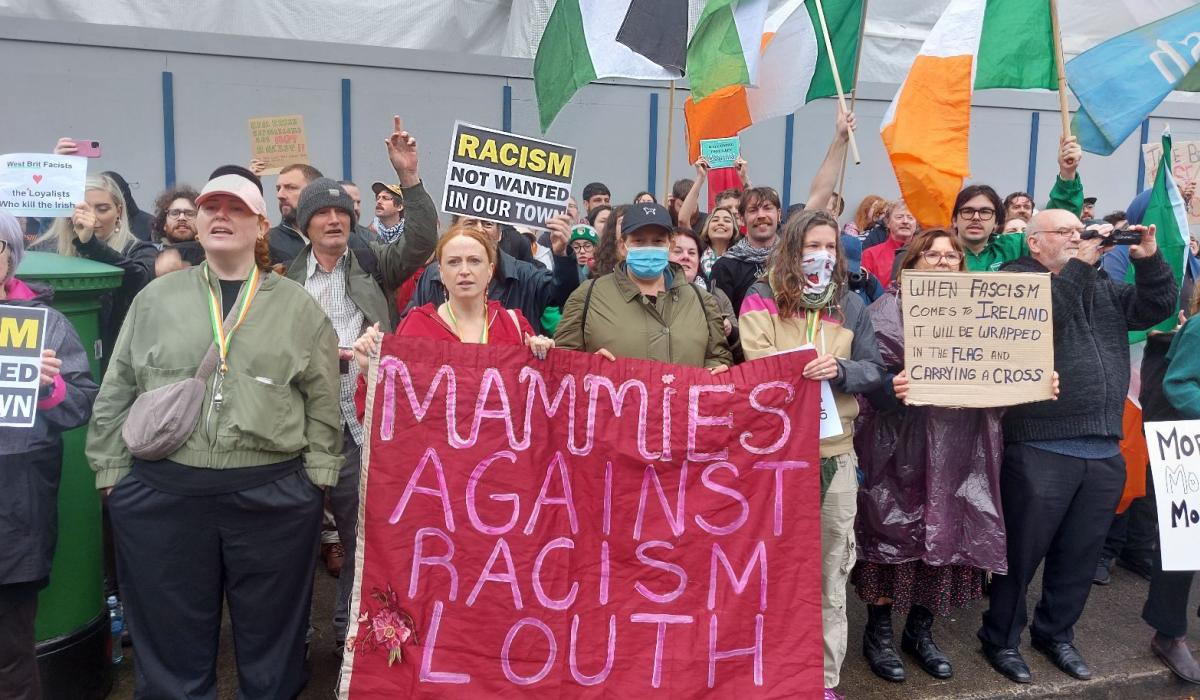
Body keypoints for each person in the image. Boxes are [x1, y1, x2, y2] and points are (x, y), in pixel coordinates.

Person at [86, 170, 343, 699]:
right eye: (210, 207)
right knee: (170, 639)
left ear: (262, 224)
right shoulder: (157, 299)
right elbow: (118, 386)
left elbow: (323, 398)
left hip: (271, 493)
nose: (220, 216)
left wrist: (317, 478)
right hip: (166, 490)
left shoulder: (296, 305)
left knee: (272, 639)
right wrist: (112, 474)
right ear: (196, 222)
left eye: (236, 208)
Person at [977, 207, 1177, 684]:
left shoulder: (1099, 282)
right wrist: (1084, 265)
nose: (1075, 237)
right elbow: (1042, 322)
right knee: (1021, 557)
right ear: (1034, 243)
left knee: (1080, 557)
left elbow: (1157, 307)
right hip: (1041, 444)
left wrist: (1149, 261)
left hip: (1103, 445)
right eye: (1063, 232)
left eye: (1078, 230)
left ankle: (1056, 635)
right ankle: (1000, 639)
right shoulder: (1014, 280)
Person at [283, 117, 438, 649]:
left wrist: (410, 178)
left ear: (352, 220)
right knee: (293, 538)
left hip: (361, 421)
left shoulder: (374, 263)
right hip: (296, 423)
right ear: (304, 224)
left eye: (340, 212)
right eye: (320, 213)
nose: (332, 220)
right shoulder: (281, 274)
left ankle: (352, 635)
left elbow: (421, 240)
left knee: (360, 536)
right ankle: (293, 636)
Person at [738, 209, 884, 699]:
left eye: (829, 247)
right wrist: (797, 367)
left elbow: (873, 371)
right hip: (772, 459)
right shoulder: (760, 298)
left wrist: (839, 370)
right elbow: (755, 365)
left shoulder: (852, 305)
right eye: (810, 246)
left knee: (828, 576)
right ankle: (763, 671)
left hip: (835, 455)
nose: (820, 255)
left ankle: (821, 682)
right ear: (791, 249)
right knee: (769, 574)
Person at [854, 230, 1010, 683]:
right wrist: (890, 389)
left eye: (951, 255)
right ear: (913, 263)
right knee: (890, 537)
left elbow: (1007, 367)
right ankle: (878, 635)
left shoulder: (985, 312)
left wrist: (1038, 380)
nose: (943, 262)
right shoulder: (882, 312)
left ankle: (920, 632)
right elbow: (865, 378)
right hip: (900, 446)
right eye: (932, 254)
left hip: (962, 447)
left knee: (945, 535)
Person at [0, 212, 98, 700]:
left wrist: (50, 388)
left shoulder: (46, 325)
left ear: (10, 254)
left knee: (11, 653)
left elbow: (84, 402)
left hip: (15, 512)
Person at [554, 202, 732, 370]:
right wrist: (589, 366)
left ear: (670, 245)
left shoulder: (701, 300)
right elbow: (562, 362)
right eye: (639, 241)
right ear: (623, 246)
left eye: (657, 241)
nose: (649, 248)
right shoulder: (588, 296)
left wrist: (714, 371)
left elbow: (719, 356)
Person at [712, 109, 855, 316]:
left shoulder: (791, 252)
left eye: (768, 208)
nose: (761, 215)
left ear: (779, 215)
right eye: (753, 210)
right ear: (741, 218)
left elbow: (820, 194)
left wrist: (840, 138)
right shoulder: (726, 266)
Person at [34, 174, 157, 371]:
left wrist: (91, 244)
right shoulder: (45, 250)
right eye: (83, 209)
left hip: (116, 361)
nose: (91, 218)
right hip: (55, 359)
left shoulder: (138, 249)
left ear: (119, 211)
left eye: (102, 209)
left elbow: (139, 279)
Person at [1147, 291, 1200, 684]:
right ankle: (1169, 634)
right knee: (1183, 545)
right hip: (1190, 450)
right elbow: (1177, 384)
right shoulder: (1199, 329)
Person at [407, 215, 575, 335]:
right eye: (470, 222)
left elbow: (566, 297)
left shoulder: (524, 274)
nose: (480, 229)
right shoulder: (433, 275)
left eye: (487, 223)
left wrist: (562, 256)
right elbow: (407, 338)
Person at [670, 226, 735, 339]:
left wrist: (730, 332)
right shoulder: (654, 292)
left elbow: (739, 347)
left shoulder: (717, 294)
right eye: (677, 251)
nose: (686, 257)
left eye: (691, 253)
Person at [860, 200, 917, 287]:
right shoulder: (870, 255)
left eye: (910, 218)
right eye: (899, 217)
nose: (905, 221)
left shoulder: (925, 254)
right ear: (888, 223)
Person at [698, 205, 739, 279]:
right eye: (715, 220)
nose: (720, 223)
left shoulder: (741, 261)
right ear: (707, 228)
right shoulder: (696, 254)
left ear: (734, 230)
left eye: (727, 220)